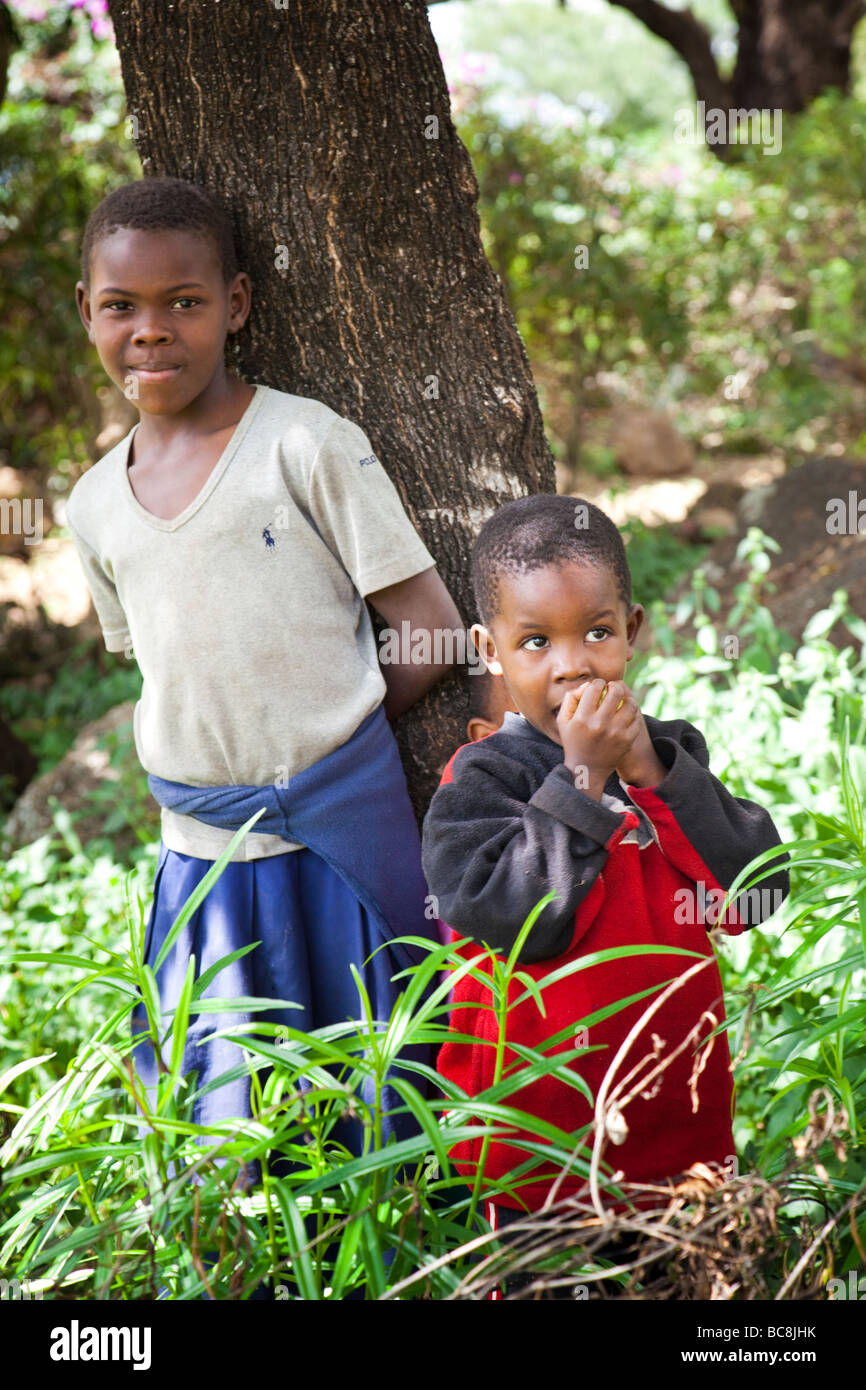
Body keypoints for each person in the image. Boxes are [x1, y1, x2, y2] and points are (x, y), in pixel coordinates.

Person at [66, 177, 463, 1203]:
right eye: (122, 306)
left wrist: (328, 737)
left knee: (381, 1081)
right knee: (236, 1114)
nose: (151, 331)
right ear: (89, 313)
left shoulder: (303, 443)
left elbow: (429, 626)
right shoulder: (93, 506)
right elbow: (161, 662)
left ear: (235, 304)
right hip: (201, 855)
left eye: (183, 301)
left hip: (338, 827)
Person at [421, 493, 791, 1247]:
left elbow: (756, 896)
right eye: (534, 642)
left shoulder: (667, 762)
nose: (572, 666)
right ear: (490, 652)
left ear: (633, 633)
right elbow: (527, 922)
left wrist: (648, 769)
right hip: (538, 1162)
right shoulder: (478, 785)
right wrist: (582, 780)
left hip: (683, 1142)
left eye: (596, 632)